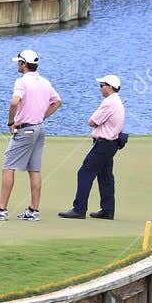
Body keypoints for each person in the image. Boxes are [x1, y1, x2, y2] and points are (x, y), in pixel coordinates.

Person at [0, 47, 61, 222]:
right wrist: (42, 117)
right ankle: (33, 211)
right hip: (39, 129)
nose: (17, 65)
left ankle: (1, 209)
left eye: (19, 62)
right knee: (34, 169)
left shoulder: (22, 81)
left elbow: (14, 102)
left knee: (8, 166)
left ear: (24, 64)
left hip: (25, 130)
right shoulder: (45, 82)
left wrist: (10, 122)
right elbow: (57, 101)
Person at [58, 75, 126, 219]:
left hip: (104, 144)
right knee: (105, 176)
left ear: (110, 87)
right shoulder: (116, 101)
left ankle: (79, 209)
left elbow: (92, 121)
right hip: (111, 144)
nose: (100, 88)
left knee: (84, 173)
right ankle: (107, 210)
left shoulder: (109, 102)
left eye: (102, 85)